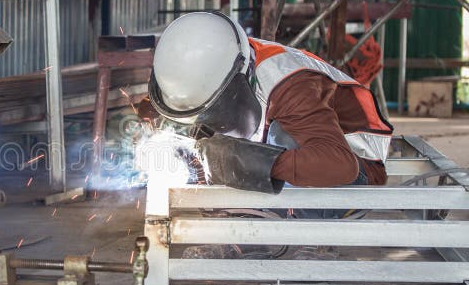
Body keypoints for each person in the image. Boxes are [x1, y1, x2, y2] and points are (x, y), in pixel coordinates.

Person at [147, 10, 394, 195]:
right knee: (223, 140)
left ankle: (302, 238)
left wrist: (245, 161)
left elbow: (341, 166)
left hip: (358, 165)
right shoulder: (231, 56)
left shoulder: (291, 87)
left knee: (281, 137)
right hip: (320, 148)